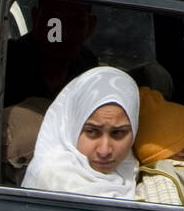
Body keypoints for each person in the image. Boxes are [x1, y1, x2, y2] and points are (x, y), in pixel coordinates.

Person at [22, 66, 139, 199]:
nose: (104, 151)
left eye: (118, 133)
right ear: (72, 127)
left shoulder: (129, 167)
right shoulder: (51, 181)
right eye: (92, 132)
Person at [5, 0, 98, 107]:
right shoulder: (6, 62)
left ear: (90, 26)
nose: (61, 33)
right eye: (52, 20)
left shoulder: (88, 68)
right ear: (35, 18)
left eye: (74, 23)